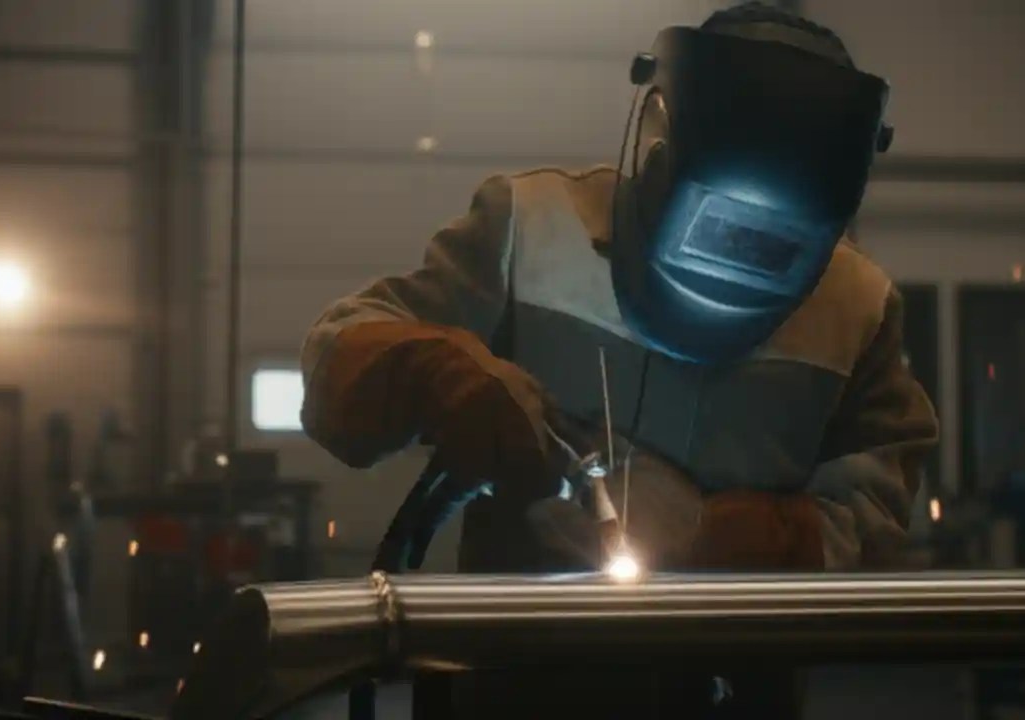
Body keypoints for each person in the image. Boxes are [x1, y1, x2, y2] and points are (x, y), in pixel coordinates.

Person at [300, 3, 938, 715]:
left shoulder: (858, 305)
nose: (734, 259)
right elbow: (340, 351)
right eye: (718, 224)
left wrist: (717, 539)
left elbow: (877, 509)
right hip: (519, 686)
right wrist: (431, 371)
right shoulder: (531, 228)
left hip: (734, 693)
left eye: (771, 243)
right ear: (662, 137)